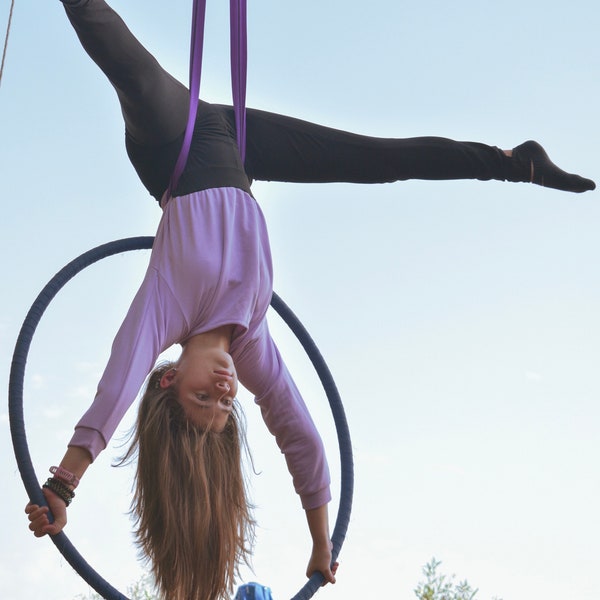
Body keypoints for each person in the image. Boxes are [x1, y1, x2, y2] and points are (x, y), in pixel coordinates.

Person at [25, 1, 595, 600]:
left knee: (112, 47)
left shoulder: (165, 310)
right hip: (234, 147)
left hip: (174, 143)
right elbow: (303, 439)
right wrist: (321, 543)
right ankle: (517, 164)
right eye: (226, 403)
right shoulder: (252, 342)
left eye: (202, 395)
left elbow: (115, 385)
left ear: (166, 380)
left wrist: (64, 485)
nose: (223, 388)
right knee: (377, 162)